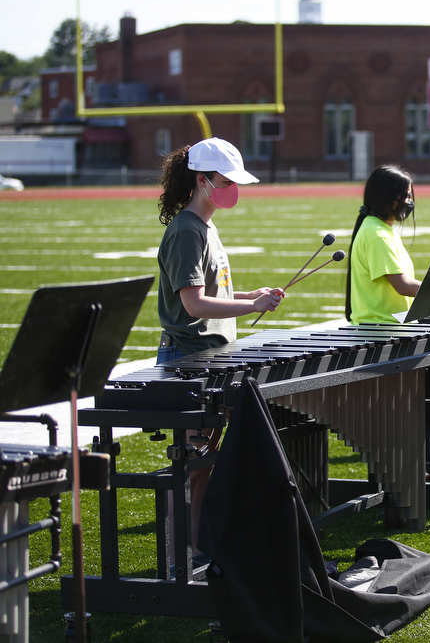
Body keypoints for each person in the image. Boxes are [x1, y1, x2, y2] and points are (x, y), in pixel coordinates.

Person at [155, 136, 284, 565]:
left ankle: (198, 548)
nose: (232, 189)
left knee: (203, 467)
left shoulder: (206, 226)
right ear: (201, 181)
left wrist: (252, 292)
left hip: (211, 360)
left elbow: (214, 291)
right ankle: (178, 556)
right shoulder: (187, 230)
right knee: (188, 465)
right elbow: (193, 304)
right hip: (187, 361)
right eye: (225, 180)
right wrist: (252, 306)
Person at [345, 165, 420, 324]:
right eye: (406, 196)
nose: (410, 202)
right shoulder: (377, 235)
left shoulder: (381, 229)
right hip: (380, 332)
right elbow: (403, 286)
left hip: (386, 328)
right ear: (385, 197)